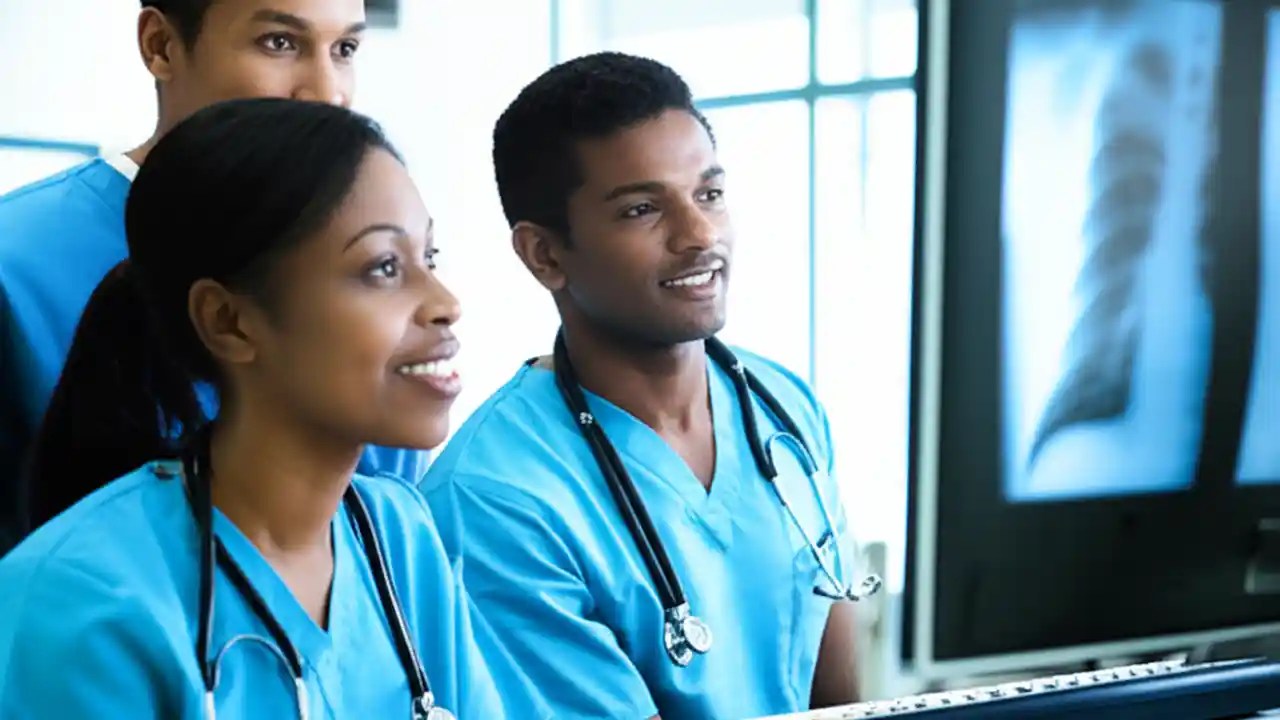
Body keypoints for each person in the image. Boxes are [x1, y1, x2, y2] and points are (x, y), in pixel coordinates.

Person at [0, 97, 546, 719]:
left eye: (430, 259)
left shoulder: (400, 537)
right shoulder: (79, 599)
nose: (445, 302)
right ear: (229, 321)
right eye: (383, 267)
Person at [420, 52, 878, 719]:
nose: (699, 236)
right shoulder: (495, 499)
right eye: (642, 209)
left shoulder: (785, 410)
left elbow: (839, 702)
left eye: (709, 194)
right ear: (545, 255)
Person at [0, 0, 428, 556]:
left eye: (344, 50)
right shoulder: (18, 260)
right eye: (279, 43)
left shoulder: (372, 268)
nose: (326, 93)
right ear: (161, 46)